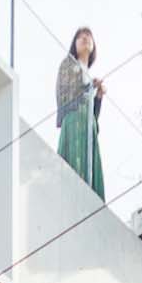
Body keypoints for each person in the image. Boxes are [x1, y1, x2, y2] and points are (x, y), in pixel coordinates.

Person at [55, 29, 105, 198]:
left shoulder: (88, 76)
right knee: (73, 169)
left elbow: (93, 116)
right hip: (73, 122)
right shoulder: (68, 65)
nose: (85, 38)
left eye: (89, 36)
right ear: (74, 44)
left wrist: (98, 96)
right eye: (80, 36)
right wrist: (89, 86)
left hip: (87, 129)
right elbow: (66, 96)